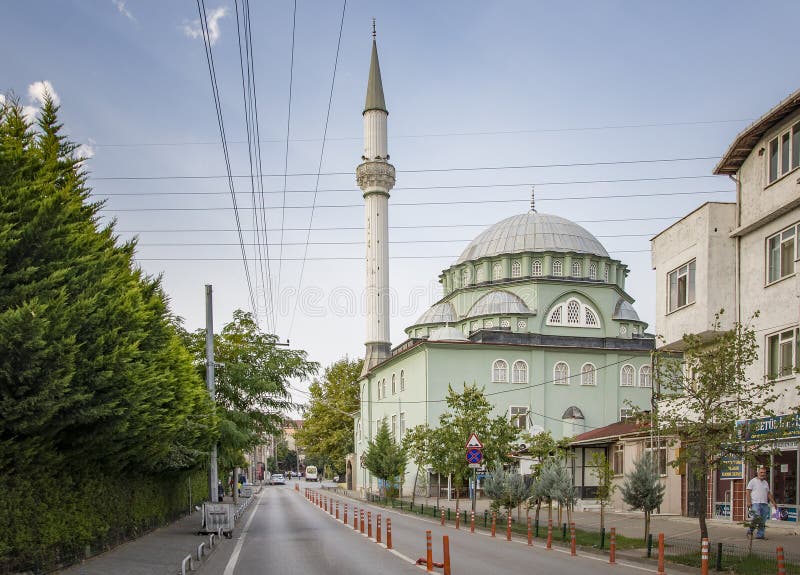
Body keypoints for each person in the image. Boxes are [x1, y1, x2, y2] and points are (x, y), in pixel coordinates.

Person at [746, 466, 777, 539]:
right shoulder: (753, 481)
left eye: (764, 473)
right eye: (761, 472)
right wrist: (748, 501)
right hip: (755, 503)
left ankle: (760, 535)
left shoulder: (766, 482)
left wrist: (774, 503)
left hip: (764, 503)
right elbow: (748, 491)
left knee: (763, 520)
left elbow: (768, 493)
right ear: (758, 473)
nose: (763, 474)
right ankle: (750, 531)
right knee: (756, 518)